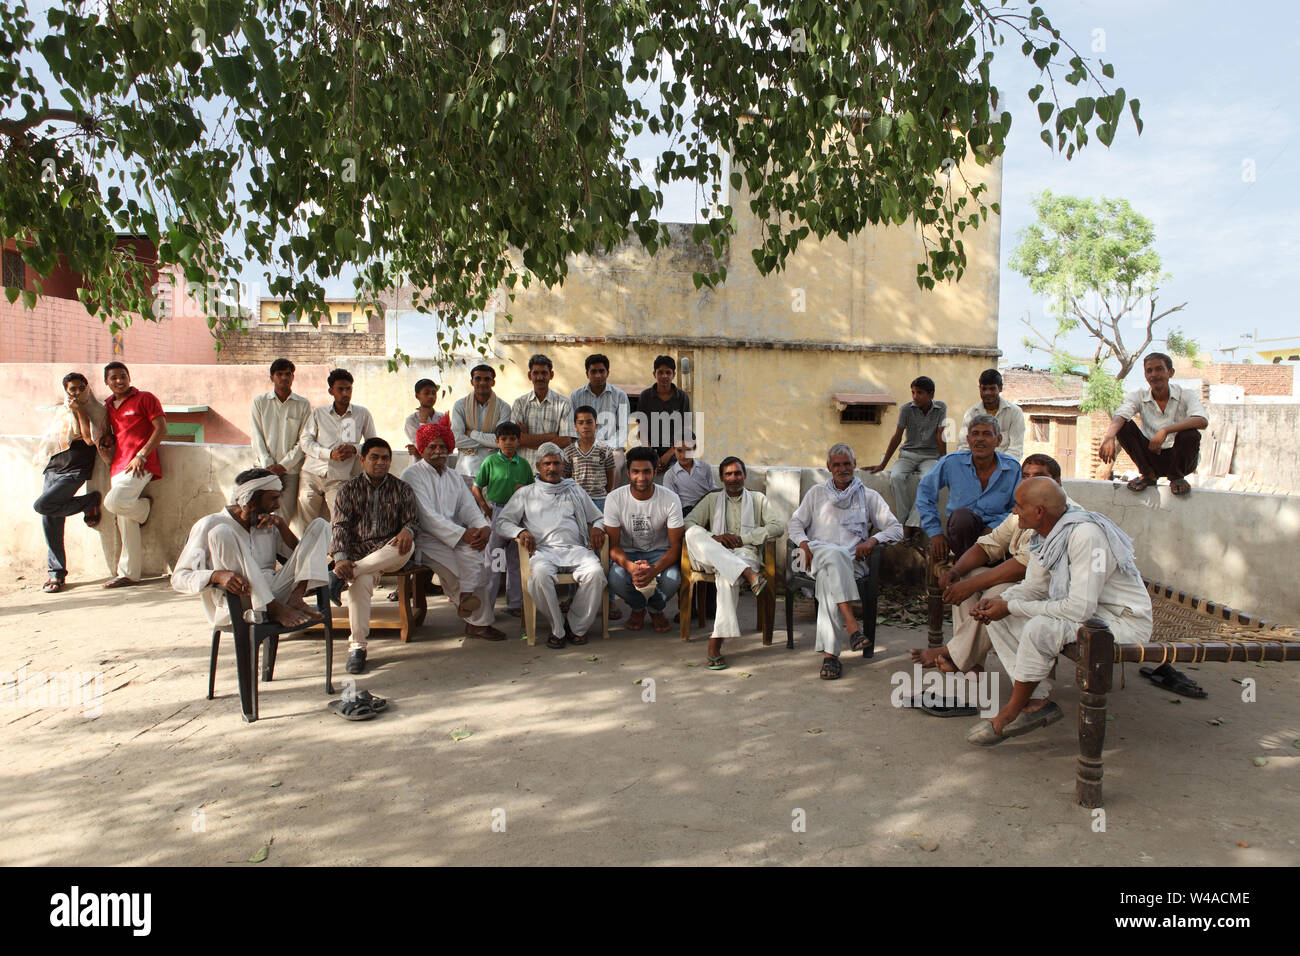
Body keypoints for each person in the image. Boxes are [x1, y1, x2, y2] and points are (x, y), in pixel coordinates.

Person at [965, 477, 1152, 745]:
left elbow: (1079, 609)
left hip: (1121, 623)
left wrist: (1011, 605)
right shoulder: (1044, 535)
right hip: (1091, 615)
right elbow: (1034, 586)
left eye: (1019, 506)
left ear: (1039, 511)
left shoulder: (1086, 535)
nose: (1014, 511)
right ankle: (1036, 700)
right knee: (999, 618)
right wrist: (1001, 602)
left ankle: (1010, 713)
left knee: (1039, 627)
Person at [907, 454, 1074, 712]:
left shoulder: (1062, 514)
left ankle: (955, 655)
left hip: (1056, 597)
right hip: (1029, 588)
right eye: (1026, 476)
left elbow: (1024, 566)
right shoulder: (1023, 508)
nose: (1031, 481)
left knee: (997, 594)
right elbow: (991, 544)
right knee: (966, 580)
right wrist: (956, 572)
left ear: (1057, 482)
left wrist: (972, 586)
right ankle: (969, 675)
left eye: (1039, 476)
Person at [788, 444, 903, 679]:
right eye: (837, 465)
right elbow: (795, 523)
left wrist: (872, 540)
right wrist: (803, 543)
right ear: (828, 467)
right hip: (814, 557)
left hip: (850, 562)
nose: (842, 469)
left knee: (833, 570)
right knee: (833, 554)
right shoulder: (816, 493)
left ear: (855, 464)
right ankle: (852, 625)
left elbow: (896, 529)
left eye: (846, 464)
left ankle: (831, 656)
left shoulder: (869, 496)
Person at [170, 468, 330, 629]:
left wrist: (281, 525)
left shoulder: (269, 523)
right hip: (240, 599)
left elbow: (303, 557)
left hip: (276, 590)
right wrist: (216, 575)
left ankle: (295, 598)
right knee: (221, 532)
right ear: (249, 501)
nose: (277, 505)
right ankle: (271, 607)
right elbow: (179, 578)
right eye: (273, 499)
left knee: (321, 526)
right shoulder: (210, 524)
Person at [496, 443, 607, 648]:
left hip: (576, 549)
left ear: (563, 465)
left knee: (595, 573)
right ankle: (558, 628)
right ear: (538, 466)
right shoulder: (526, 493)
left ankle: (576, 626)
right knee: (539, 576)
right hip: (543, 551)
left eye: (556, 463)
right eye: (547, 463)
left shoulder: (574, 490)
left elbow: (598, 517)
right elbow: (502, 522)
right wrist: (520, 532)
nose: (552, 468)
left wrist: (597, 528)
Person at [402, 418, 503, 641]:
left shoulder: (453, 475)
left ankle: (473, 611)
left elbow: (469, 507)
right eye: (432, 447)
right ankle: (474, 617)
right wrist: (463, 534)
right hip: (425, 540)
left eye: (443, 447)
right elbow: (426, 516)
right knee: (455, 569)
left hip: (456, 537)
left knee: (478, 559)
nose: (438, 451)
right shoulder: (412, 475)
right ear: (422, 449)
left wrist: (482, 528)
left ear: (450, 448)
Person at [328, 438, 421, 674]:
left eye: (385, 458)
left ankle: (342, 576)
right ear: (362, 460)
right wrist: (340, 558)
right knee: (359, 582)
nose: (380, 462)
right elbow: (339, 526)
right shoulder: (348, 490)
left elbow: (413, 520)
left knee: (405, 545)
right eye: (374, 457)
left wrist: (407, 530)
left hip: (389, 552)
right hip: (360, 553)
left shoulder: (402, 489)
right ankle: (357, 648)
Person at [683, 456, 783, 669]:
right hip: (712, 553)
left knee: (727, 577)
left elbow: (777, 527)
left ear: (744, 475)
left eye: (737, 473)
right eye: (728, 474)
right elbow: (688, 522)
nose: (733, 478)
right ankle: (749, 574)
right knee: (693, 532)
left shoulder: (758, 499)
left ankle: (715, 644)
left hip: (745, 552)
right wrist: (715, 538)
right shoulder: (712, 500)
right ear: (721, 478)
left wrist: (744, 539)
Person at [32, 372, 109, 592]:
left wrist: (81, 412)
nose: (76, 393)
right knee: (50, 519)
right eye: (72, 389)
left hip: (76, 468)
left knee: (42, 505)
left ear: (87, 387)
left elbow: (89, 439)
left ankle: (89, 501)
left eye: (80, 388)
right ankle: (55, 574)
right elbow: (54, 438)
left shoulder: (97, 410)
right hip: (55, 466)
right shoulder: (63, 410)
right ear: (66, 391)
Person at [916, 414, 1021, 566]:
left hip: (998, 532)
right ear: (968, 439)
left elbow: (1017, 507)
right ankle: (969, 570)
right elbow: (924, 494)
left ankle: (969, 571)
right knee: (961, 516)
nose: (980, 439)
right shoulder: (951, 462)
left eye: (986, 434)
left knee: (1008, 531)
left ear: (998, 440)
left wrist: (993, 528)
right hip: (961, 531)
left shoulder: (1012, 468)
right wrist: (935, 533)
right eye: (975, 434)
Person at [1099, 352, 1209, 497]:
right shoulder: (1138, 395)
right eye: (1149, 370)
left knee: (1190, 434)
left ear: (1170, 372)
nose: (1154, 375)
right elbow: (1121, 414)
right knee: (1123, 427)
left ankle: (1176, 478)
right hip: (1151, 456)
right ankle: (1148, 475)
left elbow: (1202, 420)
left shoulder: (1187, 394)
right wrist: (1109, 437)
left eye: (1159, 369)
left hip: (1179, 459)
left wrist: (1165, 431)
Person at [101, 362, 167, 588]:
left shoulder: (146, 398)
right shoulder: (108, 405)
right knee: (125, 522)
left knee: (114, 501)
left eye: (123, 376)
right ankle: (129, 573)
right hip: (117, 465)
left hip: (141, 465)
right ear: (106, 383)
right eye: (113, 378)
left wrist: (143, 455)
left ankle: (143, 509)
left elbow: (161, 429)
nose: (119, 381)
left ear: (129, 377)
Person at [605, 446, 685, 633]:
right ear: (628, 472)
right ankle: (638, 607)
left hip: (659, 553)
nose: (641, 478)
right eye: (636, 472)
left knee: (673, 579)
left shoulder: (670, 499)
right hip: (628, 553)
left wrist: (654, 570)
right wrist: (631, 567)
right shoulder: (614, 498)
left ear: (655, 471)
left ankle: (655, 608)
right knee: (615, 578)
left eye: (647, 471)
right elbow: (614, 546)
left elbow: (675, 547)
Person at [867, 376, 947, 530]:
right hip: (907, 455)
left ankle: (912, 523)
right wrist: (883, 463)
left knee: (928, 479)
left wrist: (944, 463)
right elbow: (897, 436)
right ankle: (904, 524)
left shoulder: (941, 408)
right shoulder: (906, 409)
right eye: (913, 393)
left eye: (920, 393)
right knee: (896, 477)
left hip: (930, 456)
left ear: (931, 394)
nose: (915, 396)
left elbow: (940, 435)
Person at [298, 368, 376, 524]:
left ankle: (334, 549)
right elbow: (305, 442)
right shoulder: (319, 413)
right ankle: (309, 549)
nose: (345, 393)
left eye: (348, 389)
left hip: (339, 478)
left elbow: (373, 444)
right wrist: (329, 454)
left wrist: (355, 449)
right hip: (311, 475)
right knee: (307, 524)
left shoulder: (362, 414)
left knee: (340, 522)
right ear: (331, 391)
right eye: (340, 389)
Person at [473, 421, 534, 618]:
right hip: (497, 512)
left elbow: (532, 491)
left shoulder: (523, 465)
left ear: (518, 441)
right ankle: (487, 606)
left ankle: (515, 603)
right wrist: (486, 509)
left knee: (516, 560)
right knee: (493, 561)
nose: (508, 443)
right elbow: (476, 487)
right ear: (497, 441)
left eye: (512, 439)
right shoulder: (490, 462)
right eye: (504, 439)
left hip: (518, 516)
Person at [249, 358, 310, 528]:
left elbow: (303, 440)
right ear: (272, 377)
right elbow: (256, 436)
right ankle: (261, 554)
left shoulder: (302, 405)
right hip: (262, 469)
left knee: (283, 517)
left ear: (293, 377)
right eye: (279, 374)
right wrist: (269, 466)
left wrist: (282, 466)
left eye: (287, 374)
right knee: (258, 515)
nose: (284, 378)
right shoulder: (260, 403)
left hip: (290, 472)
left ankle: (279, 554)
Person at [569, 353, 630, 481]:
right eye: (593, 371)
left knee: (614, 468)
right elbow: (572, 427)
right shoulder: (576, 396)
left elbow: (623, 429)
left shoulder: (620, 396)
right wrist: (588, 447)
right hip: (583, 447)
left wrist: (604, 448)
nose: (598, 375)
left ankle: (610, 499)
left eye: (602, 371)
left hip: (612, 449)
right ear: (587, 374)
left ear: (607, 372)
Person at [510, 353, 576, 468]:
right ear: (529, 375)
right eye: (535, 373)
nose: (540, 377)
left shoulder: (564, 403)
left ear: (551, 375)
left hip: (552, 470)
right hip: (524, 469)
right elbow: (516, 439)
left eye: (544, 373)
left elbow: (566, 440)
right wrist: (551, 436)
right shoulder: (519, 403)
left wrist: (529, 439)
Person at [450, 364, 512, 479]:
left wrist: (472, 433)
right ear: (472, 382)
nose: (482, 383)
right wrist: (490, 441)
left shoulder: (504, 407)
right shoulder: (460, 405)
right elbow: (455, 439)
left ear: (493, 382)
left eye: (487, 379)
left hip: (494, 472)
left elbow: (501, 441)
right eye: (478, 379)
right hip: (465, 472)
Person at [636, 355, 691, 472]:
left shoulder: (682, 397)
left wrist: (668, 455)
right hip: (649, 450)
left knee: (678, 473)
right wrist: (652, 454)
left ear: (674, 375)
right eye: (660, 372)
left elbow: (684, 431)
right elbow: (642, 431)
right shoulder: (645, 396)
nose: (664, 376)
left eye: (668, 372)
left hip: (675, 451)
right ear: (654, 374)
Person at [957, 369, 1025, 461]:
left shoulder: (1014, 412)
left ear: (1000, 388)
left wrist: (998, 466)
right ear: (979, 389)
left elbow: (1016, 449)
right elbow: (964, 447)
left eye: (992, 388)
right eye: (984, 389)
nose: (987, 393)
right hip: (976, 467)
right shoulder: (971, 414)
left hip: (1005, 467)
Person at [563, 406, 616, 511]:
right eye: (581, 423)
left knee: (598, 526)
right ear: (575, 426)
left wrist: (604, 493)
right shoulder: (569, 451)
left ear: (596, 425)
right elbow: (567, 476)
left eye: (589, 422)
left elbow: (610, 477)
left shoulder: (605, 449)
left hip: (600, 500)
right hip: (577, 499)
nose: (585, 426)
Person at [663, 436, 719, 514]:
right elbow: (671, 502)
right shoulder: (670, 475)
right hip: (686, 511)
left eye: (688, 450)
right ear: (673, 449)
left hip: (707, 507)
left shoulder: (704, 467)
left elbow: (711, 488)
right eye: (679, 450)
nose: (683, 455)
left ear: (694, 447)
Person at [403, 378, 440, 460]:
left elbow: (448, 445)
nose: (431, 396)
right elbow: (421, 446)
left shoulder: (442, 417)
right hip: (419, 464)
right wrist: (423, 422)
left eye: (434, 393)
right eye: (426, 393)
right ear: (417, 396)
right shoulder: (411, 420)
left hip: (440, 463)